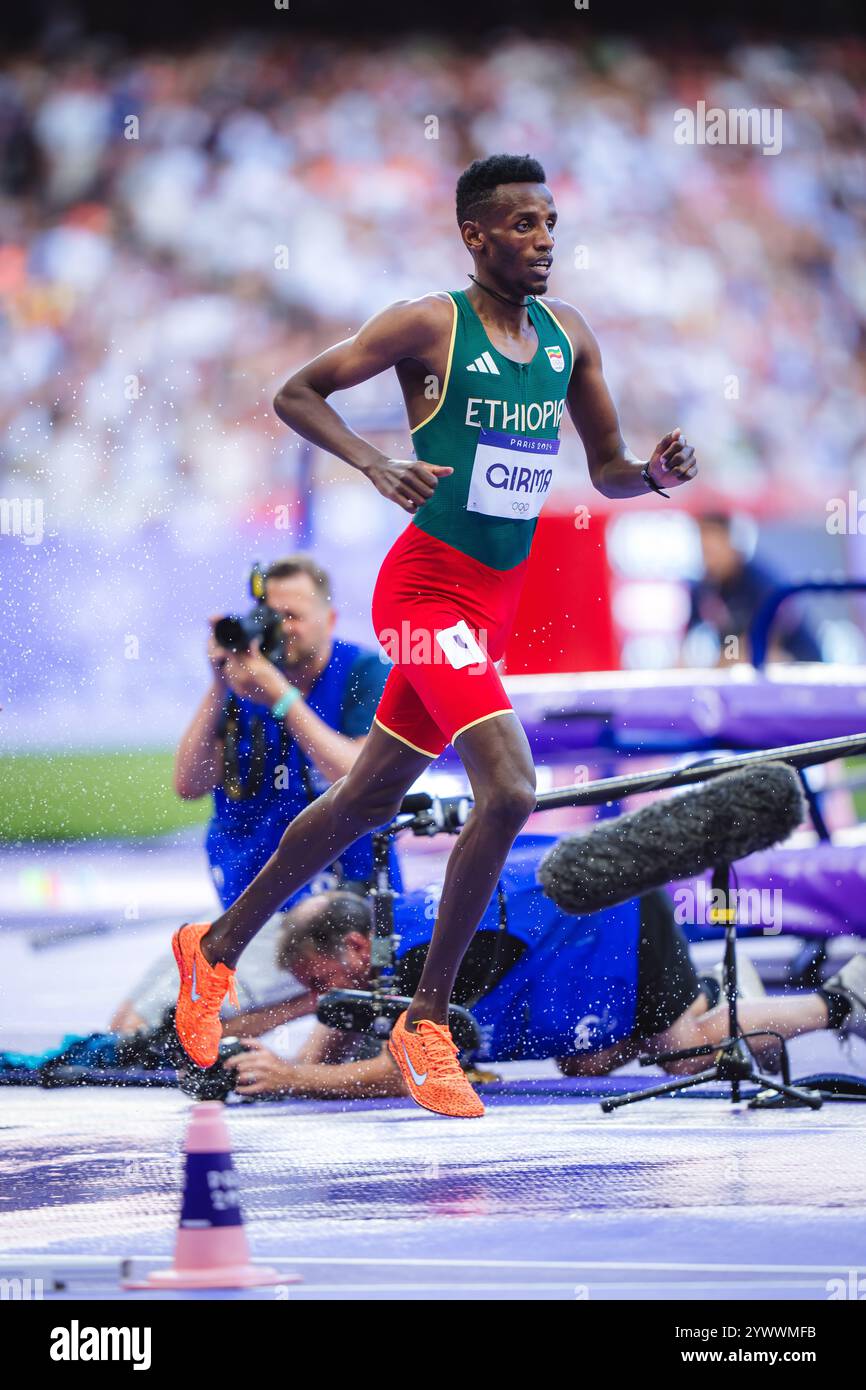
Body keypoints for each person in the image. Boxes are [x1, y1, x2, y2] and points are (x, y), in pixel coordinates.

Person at [172, 151, 698, 1118]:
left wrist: (656, 473)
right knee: (509, 786)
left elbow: (612, 467)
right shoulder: (430, 324)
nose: (546, 240)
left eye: (551, 223)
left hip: (488, 605)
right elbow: (297, 392)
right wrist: (376, 464)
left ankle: (212, 953)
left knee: (366, 798)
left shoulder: (567, 336)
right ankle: (427, 1021)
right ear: (477, 234)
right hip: (423, 594)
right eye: (525, 225)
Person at [215, 883, 866, 1100]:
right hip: (578, 929)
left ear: (356, 950)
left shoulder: (417, 959)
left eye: (317, 982)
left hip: (619, 917)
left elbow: (410, 1071)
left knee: (688, 1054)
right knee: (584, 1062)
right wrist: (282, 1067)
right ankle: (707, 999)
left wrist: (295, 1080)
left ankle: (842, 1000)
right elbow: (346, 1013)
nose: (317, 998)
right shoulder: (377, 948)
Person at [684, 513, 823, 666]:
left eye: (713, 550)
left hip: (796, 662)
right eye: (704, 551)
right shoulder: (705, 589)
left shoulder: (760, 581)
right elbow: (686, 643)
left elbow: (770, 636)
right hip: (738, 663)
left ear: (731, 544)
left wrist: (725, 660)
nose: (709, 559)